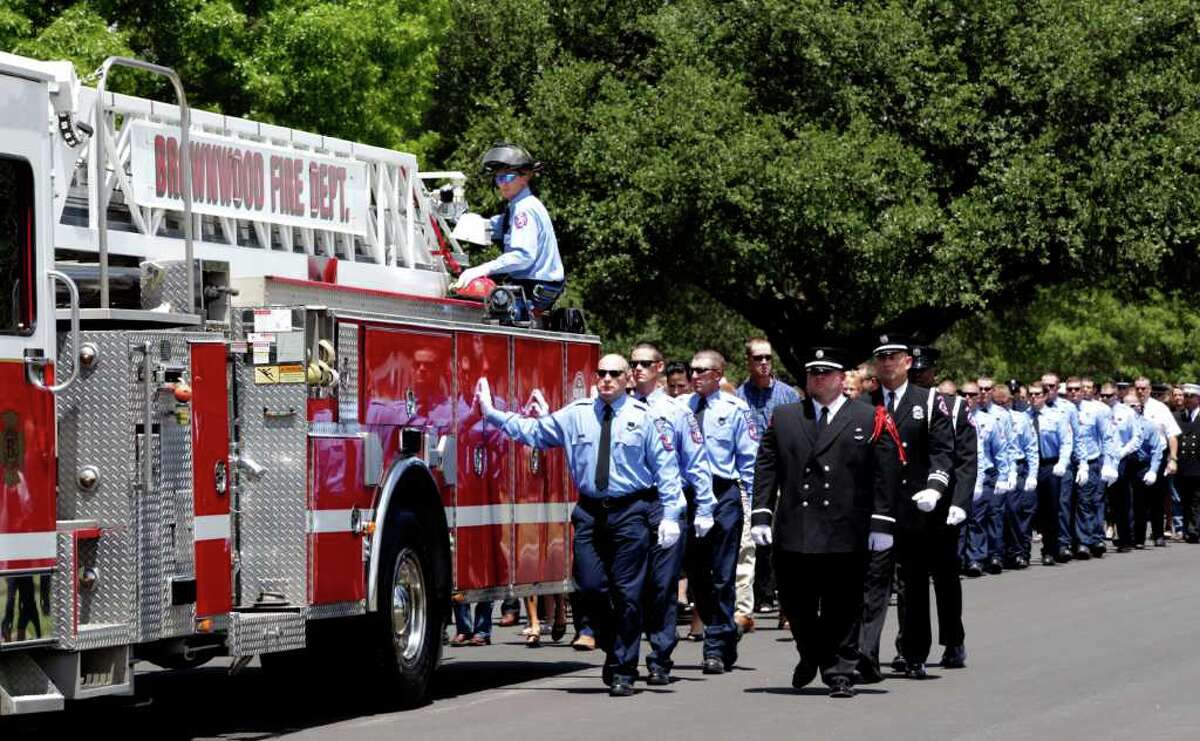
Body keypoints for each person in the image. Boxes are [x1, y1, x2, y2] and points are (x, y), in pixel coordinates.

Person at [474, 355, 689, 697]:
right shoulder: (577, 413)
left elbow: (666, 470)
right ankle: (612, 642)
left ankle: (623, 669)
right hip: (589, 511)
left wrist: (670, 515)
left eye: (614, 374)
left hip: (631, 511)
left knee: (628, 594)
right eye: (601, 373)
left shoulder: (645, 419)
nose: (606, 379)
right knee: (589, 587)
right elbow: (535, 431)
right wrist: (492, 413)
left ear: (626, 379)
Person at [749, 347, 898, 698]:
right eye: (812, 372)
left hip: (845, 526)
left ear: (840, 378)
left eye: (825, 372)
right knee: (795, 601)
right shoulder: (785, 416)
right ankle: (811, 651)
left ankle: (841, 671)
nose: (818, 378)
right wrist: (761, 512)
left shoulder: (868, 416)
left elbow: (885, 474)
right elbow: (767, 466)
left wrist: (883, 522)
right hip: (796, 524)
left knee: (842, 604)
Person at [856, 335, 956, 682]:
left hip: (916, 507)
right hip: (877, 509)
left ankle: (913, 652)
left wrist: (936, 486)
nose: (886, 363)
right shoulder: (864, 404)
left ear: (908, 362)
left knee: (912, 585)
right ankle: (866, 654)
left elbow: (943, 451)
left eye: (893, 356)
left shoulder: (928, 402)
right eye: (881, 357)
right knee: (872, 583)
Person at [629, 342, 717, 685]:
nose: (638, 369)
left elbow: (696, 461)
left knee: (663, 584)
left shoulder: (676, 410)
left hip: (666, 503)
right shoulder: (620, 408)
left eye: (645, 364)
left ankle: (660, 655)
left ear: (660, 367)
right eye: (634, 364)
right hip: (630, 505)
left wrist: (705, 507)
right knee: (627, 585)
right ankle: (623, 651)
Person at [685, 349, 758, 674]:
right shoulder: (681, 408)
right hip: (688, 495)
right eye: (692, 370)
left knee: (723, 574)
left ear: (718, 374)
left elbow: (750, 461)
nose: (695, 376)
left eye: (702, 370)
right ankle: (727, 630)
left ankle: (714, 646)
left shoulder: (736, 409)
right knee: (697, 576)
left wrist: (757, 508)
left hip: (722, 492)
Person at [450, 143, 565, 317]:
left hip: (535, 287)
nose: (502, 184)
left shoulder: (523, 210)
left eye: (508, 177)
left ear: (525, 176)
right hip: (534, 284)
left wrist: (483, 269)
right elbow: (493, 227)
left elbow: (523, 257)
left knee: (492, 315)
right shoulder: (518, 207)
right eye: (498, 179)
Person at [736, 337, 801, 619]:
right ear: (748, 361)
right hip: (750, 477)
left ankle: (788, 606)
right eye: (758, 358)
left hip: (786, 475)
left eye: (768, 358)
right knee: (750, 542)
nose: (764, 363)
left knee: (785, 540)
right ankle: (749, 604)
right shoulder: (738, 398)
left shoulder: (788, 396)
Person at [994, 384, 1039, 568]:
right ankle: (1003, 552)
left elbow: (1031, 448)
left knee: (1016, 512)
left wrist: (1032, 474)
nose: (1001, 407)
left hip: (1019, 469)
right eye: (997, 404)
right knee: (999, 514)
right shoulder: (992, 419)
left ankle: (1020, 552)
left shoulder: (1021, 419)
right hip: (997, 470)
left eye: (1003, 403)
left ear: (1010, 402)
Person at [1134, 377, 1181, 547]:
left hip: (1157, 457)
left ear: (1149, 389)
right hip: (1136, 458)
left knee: (1157, 497)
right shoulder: (1130, 407)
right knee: (1137, 499)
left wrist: (1173, 459)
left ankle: (1158, 534)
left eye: (1144, 388)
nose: (1140, 391)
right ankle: (1138, 538)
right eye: (1138, 388)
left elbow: (1172, 435)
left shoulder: (1160, 408)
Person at [1038, 373, 1078, 563]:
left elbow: (1075, 437)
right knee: (1044, 507)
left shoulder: (1067, 408)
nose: (1048, 390)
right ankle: (1049, 546)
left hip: (1061, 462)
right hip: (1037, 464)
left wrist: (1080, 463)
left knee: (1061, 505)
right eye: (1044, 387)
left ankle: (1062, 545)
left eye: (1052, 386)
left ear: (1057, 387)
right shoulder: (1032, 410)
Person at [1103, 383, 1144, 551]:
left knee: (1122, 500)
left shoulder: (1127, 412)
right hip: (1102, 460)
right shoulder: (1097, 410)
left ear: (1117, 395)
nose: (1105, 399)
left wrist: (1123, 452)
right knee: (1103, 501)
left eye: (1109, 395)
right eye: (1103, 395)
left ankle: (1126, 537)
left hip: (1121, 460)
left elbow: (1137, 437)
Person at [1128, 391, 1166, 548]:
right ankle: (1137, 538)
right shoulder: (1120, 425)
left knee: (1153, 501)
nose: (1130, 409)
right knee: (1135, 504)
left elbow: (1157, 450)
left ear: (1140, 408)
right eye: (1127, 406)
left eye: (1133, 406)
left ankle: (1158, 534)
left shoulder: (1149, 425)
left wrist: (1153, 470)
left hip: (1145, 465)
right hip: (1127, 466)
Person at [1173, 384, 1200, 543]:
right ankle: (1186, 529)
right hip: (1183, 465)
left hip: (1198, 464)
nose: (1187, 400)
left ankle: (1193, 530)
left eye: (1191, 397)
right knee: (1185, 498)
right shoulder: (1178, 416)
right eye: (1186, 397)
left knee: (1197, 499)